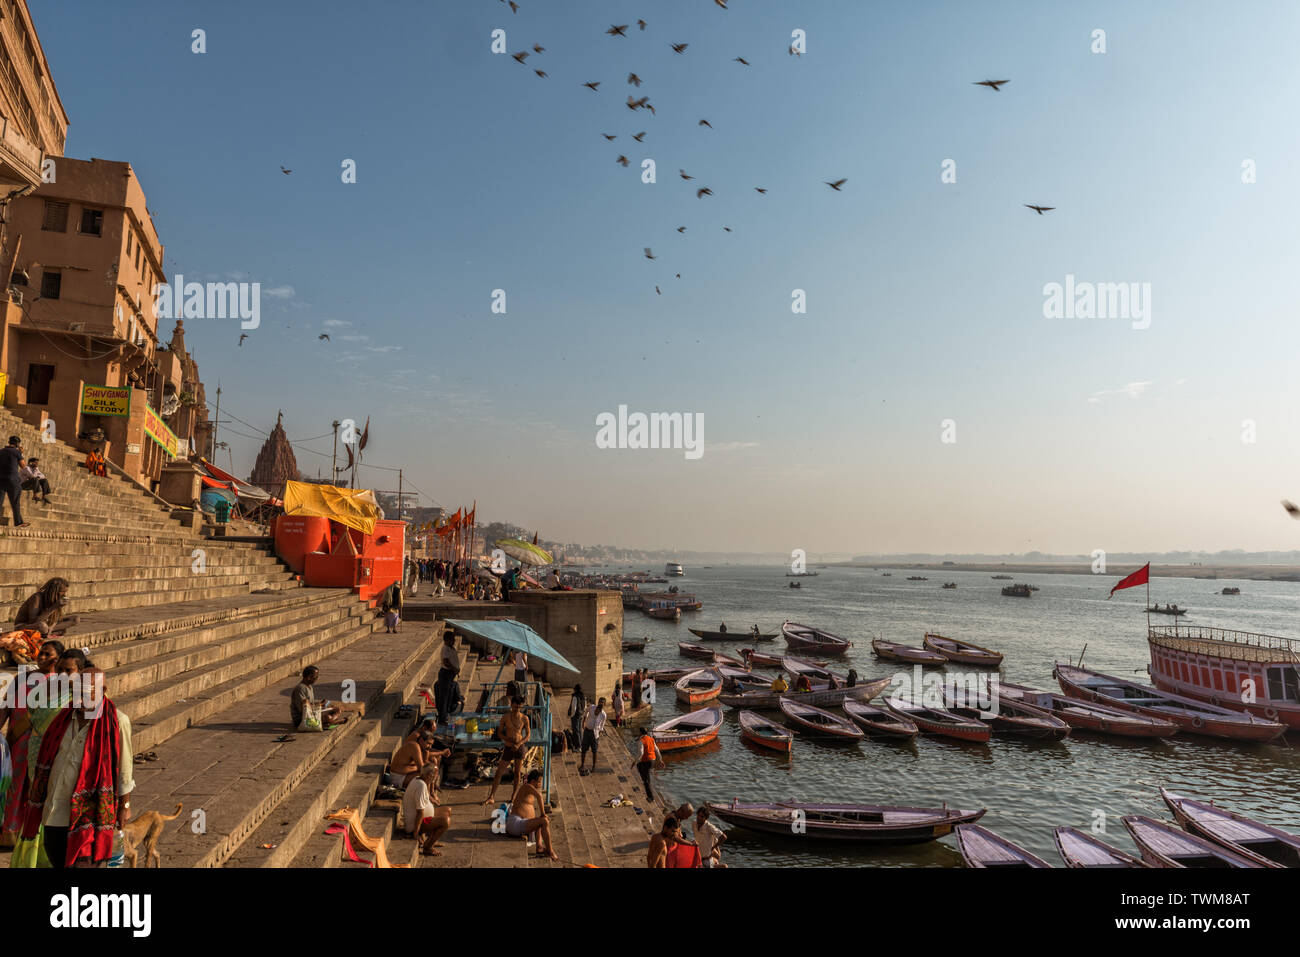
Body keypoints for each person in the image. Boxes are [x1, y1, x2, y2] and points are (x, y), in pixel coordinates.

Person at [17, 659, 133, 868]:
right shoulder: (61, 719)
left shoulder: (118, 721)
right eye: (76, 691)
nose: (79, 697)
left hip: (90, 813)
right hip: (56, 810)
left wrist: (124, 806)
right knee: (57, 860)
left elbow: (124, 769)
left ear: (102, 690)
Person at [483, 696, 530, 806]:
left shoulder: (524, 718)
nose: (516, 709)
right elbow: (499, 733)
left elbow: (527, 735)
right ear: (511, 705)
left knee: (517, 773)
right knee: (499, 772)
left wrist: (519, 744)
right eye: (515, 707)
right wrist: (506, 739)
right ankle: (491, 796)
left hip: (519, 747)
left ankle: (513, 796)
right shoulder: (505, 717)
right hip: (508, 747)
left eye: (519, 707)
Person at [505, 769, 558, 860]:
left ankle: (539, 847)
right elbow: (539, 796)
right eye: (539, 782)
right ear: (533, 781)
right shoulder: (527, 786)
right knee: (544, 821)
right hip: (515, 822)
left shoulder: (530, 790)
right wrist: (543, 813)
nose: (540, 784)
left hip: (520, 824)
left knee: (540, 823)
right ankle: (550, 851)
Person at [403, 764, 452, 856]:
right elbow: (420, 812)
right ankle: (427, 847)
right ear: (429, 775)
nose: (436, 776)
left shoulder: (419, 779)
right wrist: (416, 833)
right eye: (436, 774)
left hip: (425, 819)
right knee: (446, 821)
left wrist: (432, 799)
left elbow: (426, 794)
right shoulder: (420, 786)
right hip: (416, 824)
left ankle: (431, 840)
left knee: (447, 810)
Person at [13, 578, 77, 637]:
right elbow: (33, 621)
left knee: (75, 619)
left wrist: (52, 626)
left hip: (45, 624)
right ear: (53, 591)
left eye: (65, 592)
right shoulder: (37, 598)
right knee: (42, 626)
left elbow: (55, 618)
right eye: (62, 591)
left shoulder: (56, 598)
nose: (64, 594)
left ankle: (47, 632)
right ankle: (46, 632)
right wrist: (54, 607)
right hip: (24, 626)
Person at [290, 666, 346, 730]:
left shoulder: (309, 687)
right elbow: (303, 709)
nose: (317, 678)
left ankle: (330, 722)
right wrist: (320, 705)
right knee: (328, 717)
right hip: (302, 718)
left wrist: (321, 704)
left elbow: (311, 704)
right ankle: (333, 722)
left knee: (337, 710)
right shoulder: (300, 689)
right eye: (316, 677)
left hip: (311, 712)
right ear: (309, 677)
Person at [1, 435, 27, 528]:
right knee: (15, 502)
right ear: (17, 444)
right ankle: (18, 522)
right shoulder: (16, 452)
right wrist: (21, 453)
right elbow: (23, 466)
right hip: (13, 480)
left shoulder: (1, 451)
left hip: (1, 480)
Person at [435, 631, 460, 725]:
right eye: (452, 640)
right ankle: (442, 719)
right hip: (446, 674)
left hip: (450, 674)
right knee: (444, 698)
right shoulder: (445, 649)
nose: (453, 641)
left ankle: (445, 716)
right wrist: (454, 669)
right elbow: (446, 662)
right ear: (447, 640)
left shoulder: (450, 648)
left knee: (448, 696)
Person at [578, 697, 607, 775]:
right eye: (600, 702)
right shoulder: (591, 707)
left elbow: (602, 726)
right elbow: (586, 711)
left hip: (595, 735)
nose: (597, 712)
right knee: (584, 749)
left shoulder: (603, 715)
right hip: (587, 731)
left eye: (602, 703)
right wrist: (583, 721)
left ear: (604, 705)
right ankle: (582, 764)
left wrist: (599, 731)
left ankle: (593, 767)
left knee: (594, 751)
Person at [634, 726, 664, 800]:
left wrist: (635, 761)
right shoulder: (651, 739)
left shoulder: (641, 740)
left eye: (638, 732)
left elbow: (641, 752)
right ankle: (645, 781)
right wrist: (660, 760)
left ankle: (650, 797)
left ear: (640, 732)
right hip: (652, 760)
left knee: (646, 780)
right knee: (641, 769)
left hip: (646, 761)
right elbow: (657, 750)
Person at [567, 684, 587, 751]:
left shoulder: (575, 697)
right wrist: (582, 714)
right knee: (580, 730)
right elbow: (585, 707)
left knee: (576, 731)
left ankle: (578, 746)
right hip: (581, 714)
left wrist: (571, 715)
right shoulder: (583, 696)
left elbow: (574, 708)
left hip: (575, 715)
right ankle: (581, 745)